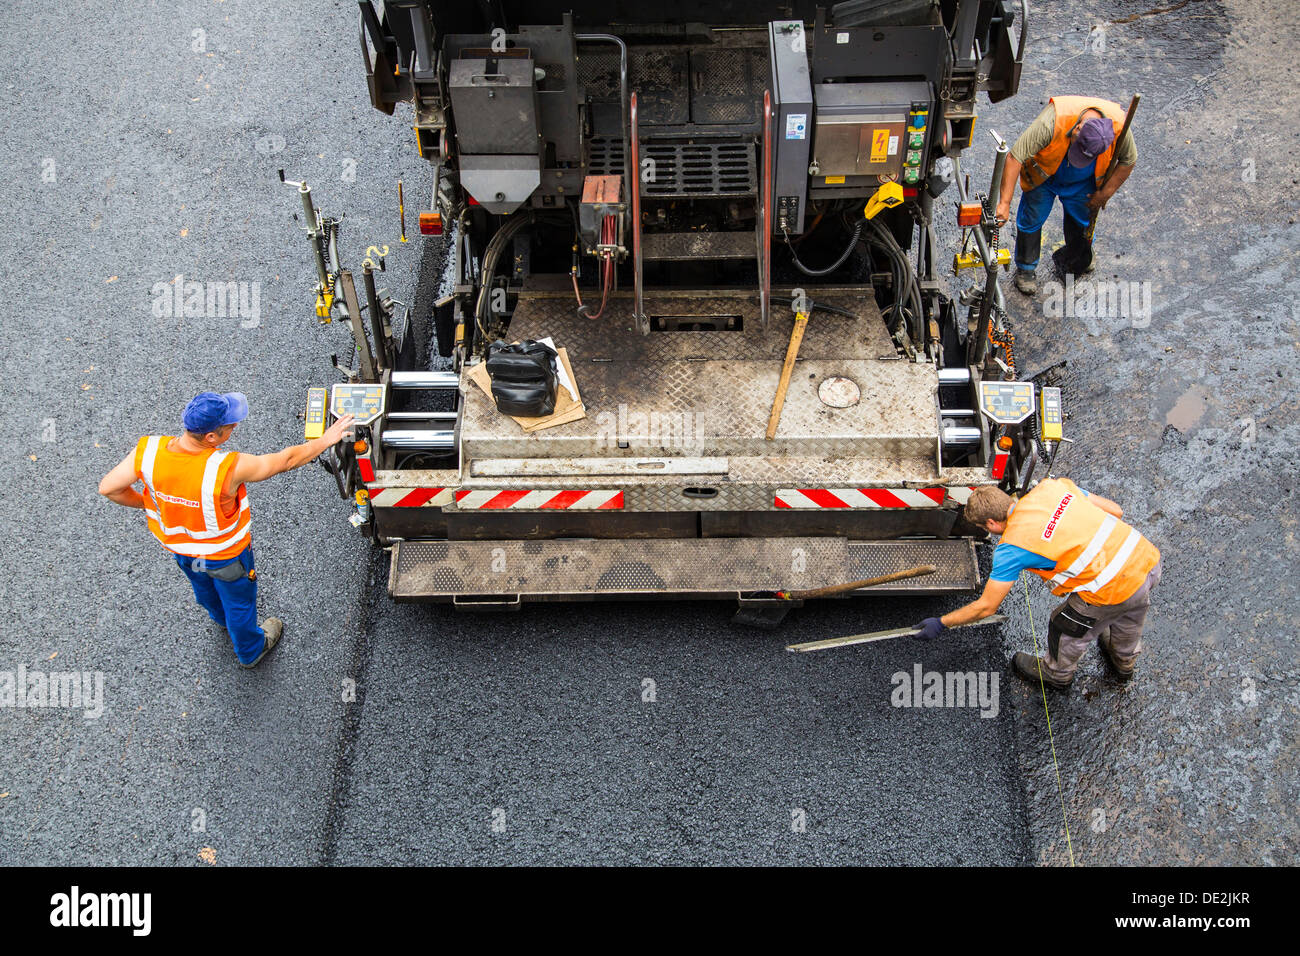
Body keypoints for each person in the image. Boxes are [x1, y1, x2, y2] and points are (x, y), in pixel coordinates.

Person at [98, 391, 354, 668]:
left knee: (204, 588)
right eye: (231, 425)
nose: (235, 427)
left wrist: (153, 505)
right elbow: (286, 461)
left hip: (184, 553)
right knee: (240, 605)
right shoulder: (225, 468)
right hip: (225, 556)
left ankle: (219, 618)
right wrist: (326, 439)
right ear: (211, 437)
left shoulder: (147, 451)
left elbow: (108, 488)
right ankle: (251, 650)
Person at [916, 479, 1162, 689]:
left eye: (984, 528)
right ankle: (1124, 661)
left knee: (1064, 626)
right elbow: (1116, 511)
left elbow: (986, 607)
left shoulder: (1012, 548)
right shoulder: (1052, 487)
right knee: (1132, 612)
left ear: (991, 524)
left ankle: (1057, 674)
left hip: (1112, 588)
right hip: (1146, 559)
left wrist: (941, 623)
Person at [993, 95, 1137, 295]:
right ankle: (1026, 269)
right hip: (1045, 175)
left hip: (1083, 181)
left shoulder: (1119, 127)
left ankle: (1078, 255)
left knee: (1082, 220)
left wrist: (1104, 194)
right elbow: (1015, 156)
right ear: (1077, 128)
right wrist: (1005, 203)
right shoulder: (1052, 122)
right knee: (1032, 218)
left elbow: (1128, 161)